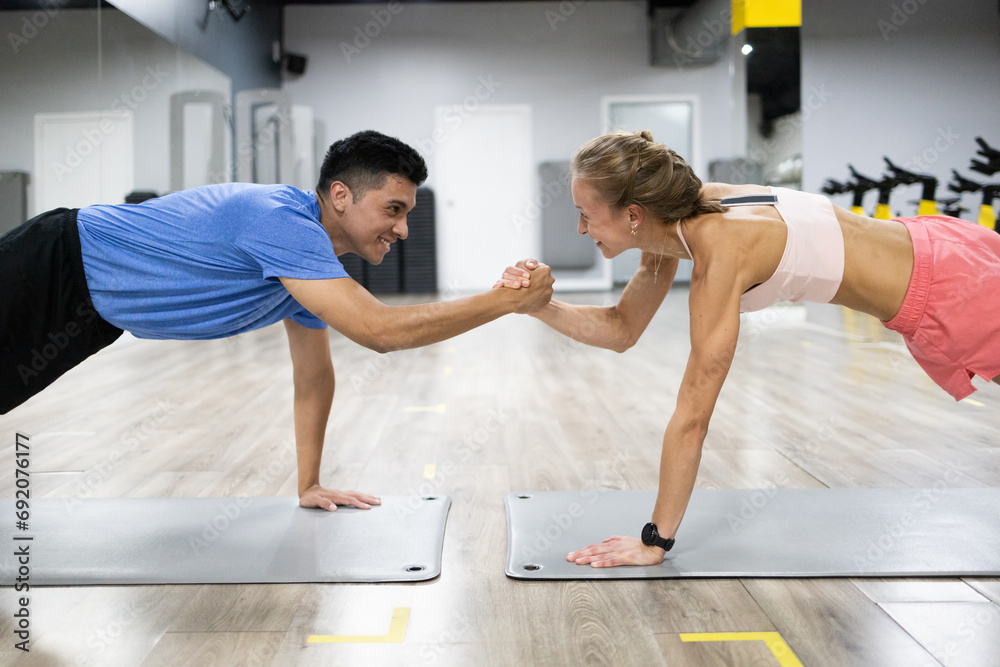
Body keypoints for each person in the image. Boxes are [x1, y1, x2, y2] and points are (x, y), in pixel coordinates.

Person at [494, 129, 1000, 568]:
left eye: (585, 214)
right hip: (944, 246)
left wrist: (655, 542)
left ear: (632, 215)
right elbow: (623, 328)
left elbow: (693, 417)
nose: (580, 228)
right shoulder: (685, 213)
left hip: (952, 295)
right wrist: (540, 306)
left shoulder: (720, 252)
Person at [1, 129, 553, 511]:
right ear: (340, 195)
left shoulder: (311, 264)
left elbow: (313, 376)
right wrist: (503, 301)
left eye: (407, 213)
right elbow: (379, 332)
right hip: (53, 264)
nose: (404, 229)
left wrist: (308, 483)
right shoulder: (280, 221)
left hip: (92, 312)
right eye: (393, 210)